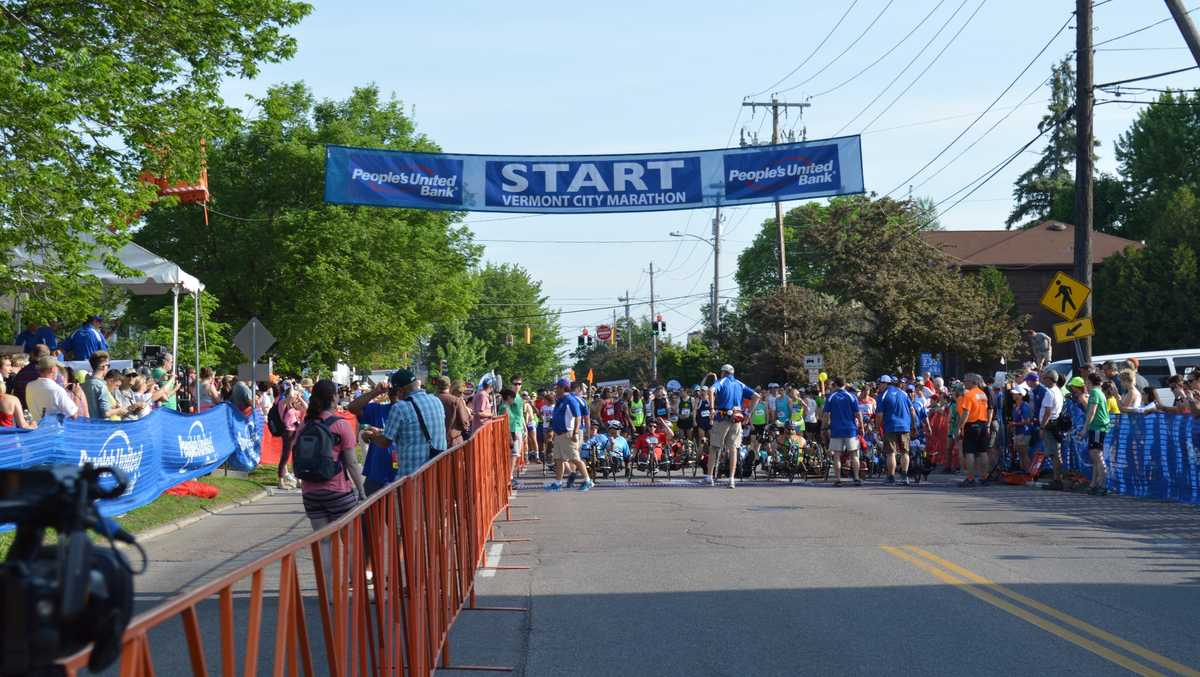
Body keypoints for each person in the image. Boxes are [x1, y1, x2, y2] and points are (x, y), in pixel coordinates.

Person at [297, 379, 366, 531]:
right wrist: (361, 490)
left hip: (310, 492)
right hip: (337, 490)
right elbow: (352, 463)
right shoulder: (341, 425)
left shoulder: (304, 425)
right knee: (350, 540)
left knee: (323, 541)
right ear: (334, 397)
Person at [365, 369, 447, 480]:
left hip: (412, 478)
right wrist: (381, 432)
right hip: (436, 473)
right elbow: (414, 430)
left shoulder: (400, 408)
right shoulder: (436, 401)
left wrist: (370, 436)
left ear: (400, 390)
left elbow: (385, 442)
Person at [706, 364, 758, 488]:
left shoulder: (722, 381)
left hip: (722, 417)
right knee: (733, 448)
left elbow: (711, 390)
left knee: (714, 447)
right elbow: (757, 396)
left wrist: (712, 409)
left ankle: (709, 477)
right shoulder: (740, 384)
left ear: (723, 373)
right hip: (737, 418)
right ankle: (731, 479)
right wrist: (748, 414)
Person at [348, 379, 400, 496]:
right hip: (376, 475)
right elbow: (352, 408)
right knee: (371, 512)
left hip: (402, 474)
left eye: (398, 389)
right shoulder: (378, 409)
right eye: (392, 389)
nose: (394, 392)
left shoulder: (409, 411)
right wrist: (375, 392)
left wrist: (379, 433)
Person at [547, 378, 592, 492]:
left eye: (558, 387)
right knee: (558, 459)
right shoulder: (560, 400)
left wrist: (575, 432)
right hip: (559, 434)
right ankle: (558, 483)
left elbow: (578, 416)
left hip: (568, 433)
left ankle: (588, 481)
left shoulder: (570, 400)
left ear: (563, 388)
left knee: (575, 459)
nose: (556, 389)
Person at [824, 376, 865, 486]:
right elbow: (858, 413)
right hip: (850, 429)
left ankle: (838, 480)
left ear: (835, 384)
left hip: (836, 429)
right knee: (854, 454)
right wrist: (861, 427)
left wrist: (824, 427)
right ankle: (856, 478)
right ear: (845, 384)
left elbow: (826, 414)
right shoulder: (851, 396)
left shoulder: (831, 397)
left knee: (837, 455)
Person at [876, 375, 915, 485]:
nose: (879, 386)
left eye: (880, 384)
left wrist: (876, 428)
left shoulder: (883, 396)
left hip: (891, 426)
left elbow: (879, 414)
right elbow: (912, 411)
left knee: (891, 453)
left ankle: (891, 477)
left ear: (886, 384)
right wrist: (913, 426)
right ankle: (904, 476)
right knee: (905, 452)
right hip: (905, 426)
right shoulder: (903, 393)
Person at [955, 373, 993, 487]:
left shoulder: (969, 395)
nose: (964, 383)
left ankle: (970, 478)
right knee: (983, 452)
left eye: (966, 381)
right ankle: (984, 477)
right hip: (983, 424)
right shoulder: (982, 394)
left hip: (972, 424)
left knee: (969, 452)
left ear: (973, 382)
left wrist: (959, 427)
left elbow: (966, 413)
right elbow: (988, 409)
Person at [81, 351, 137, 420]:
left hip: (89, 426)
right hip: (102, 427)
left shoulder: (84, 384)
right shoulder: (101, 386)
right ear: (103, 366)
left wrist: (111, 407)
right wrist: (119, 410)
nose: (108, 368)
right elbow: (106, 413)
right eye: (108, 365)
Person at [25, 356, 79, 422]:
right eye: (57, 368)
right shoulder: (57, 390)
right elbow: (74, 415)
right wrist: (77, 395)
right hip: (54, 430)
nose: (58, 371)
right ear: (53, 369)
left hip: (36, 429)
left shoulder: (29, 386)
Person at [1084, 372, 1111, 496]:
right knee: (1095, 457)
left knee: (1097, 456)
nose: (1085, 384)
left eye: (1086, 381)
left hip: (1097, 427)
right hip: (1098, 427)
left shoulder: (1095, 393)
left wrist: (1085, 428)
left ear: (1090, 381)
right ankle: (1094, 484)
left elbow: (1092, 412)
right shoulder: (1098, 392)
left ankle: (1103, 485)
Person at [276, 385, 305, 489]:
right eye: (294, 394)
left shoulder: (295, 406)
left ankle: (298, 480)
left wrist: (300, 397)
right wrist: (292, 386)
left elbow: (306, 407)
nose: (295, 396)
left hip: (296, 432)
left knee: (296, 457)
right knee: (285, 456)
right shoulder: (282, 404)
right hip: (288, 432)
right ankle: (280, 481)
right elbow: (290, 396)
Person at [433, 376, 471, 449]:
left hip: (437, 442)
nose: (462, 395)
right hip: (453, 442)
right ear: (450, 386)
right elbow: (465, 424)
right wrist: (468, 415)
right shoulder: (456, 401)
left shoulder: (432, 399)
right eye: (460, 392)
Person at [1009, 385, 1033, 470]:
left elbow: (1027, 421)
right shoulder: (1015, 406)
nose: (1013, 395)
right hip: (1018, 433)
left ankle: (1028, 473)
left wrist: (1014, 424)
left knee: (1024, 454)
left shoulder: (1024, 406)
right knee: (1020, 454)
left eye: (1015, 394)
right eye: (1013, 394)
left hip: (1024, 433)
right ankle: (1023, 472)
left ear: (1021, 395)